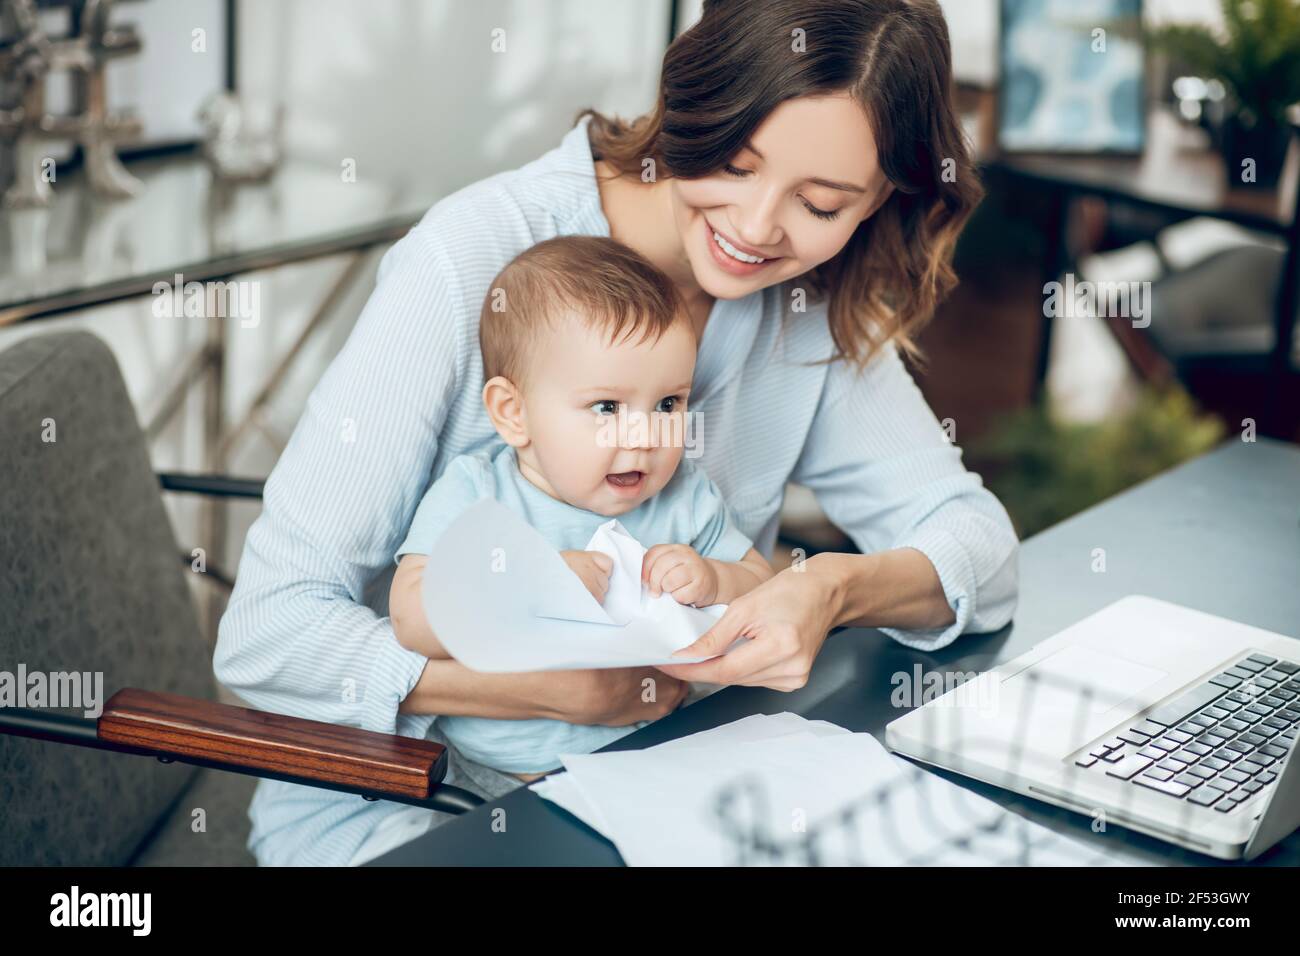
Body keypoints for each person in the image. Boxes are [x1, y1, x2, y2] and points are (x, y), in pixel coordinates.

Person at [215, 0, 1018, 866]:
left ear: (880, 200)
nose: (755, 228)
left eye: (820, 204)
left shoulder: (805, 306)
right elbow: (268, 635)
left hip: (660, 790)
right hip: (408, 805)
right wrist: (534, 692)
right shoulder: (469, 261)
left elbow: (980, 547)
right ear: (690, 103)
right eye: (735, 164)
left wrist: (830, 591)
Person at [388, 235, 773, 781]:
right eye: (607, 406)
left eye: (668, 403)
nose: (642, 436)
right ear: (513, 412)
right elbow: (411, 617)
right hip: (501, 779)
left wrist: (714, 579)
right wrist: (534, 582)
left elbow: (763, 585)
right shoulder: (479, 495)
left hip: (663, 756)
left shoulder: (684, 495)